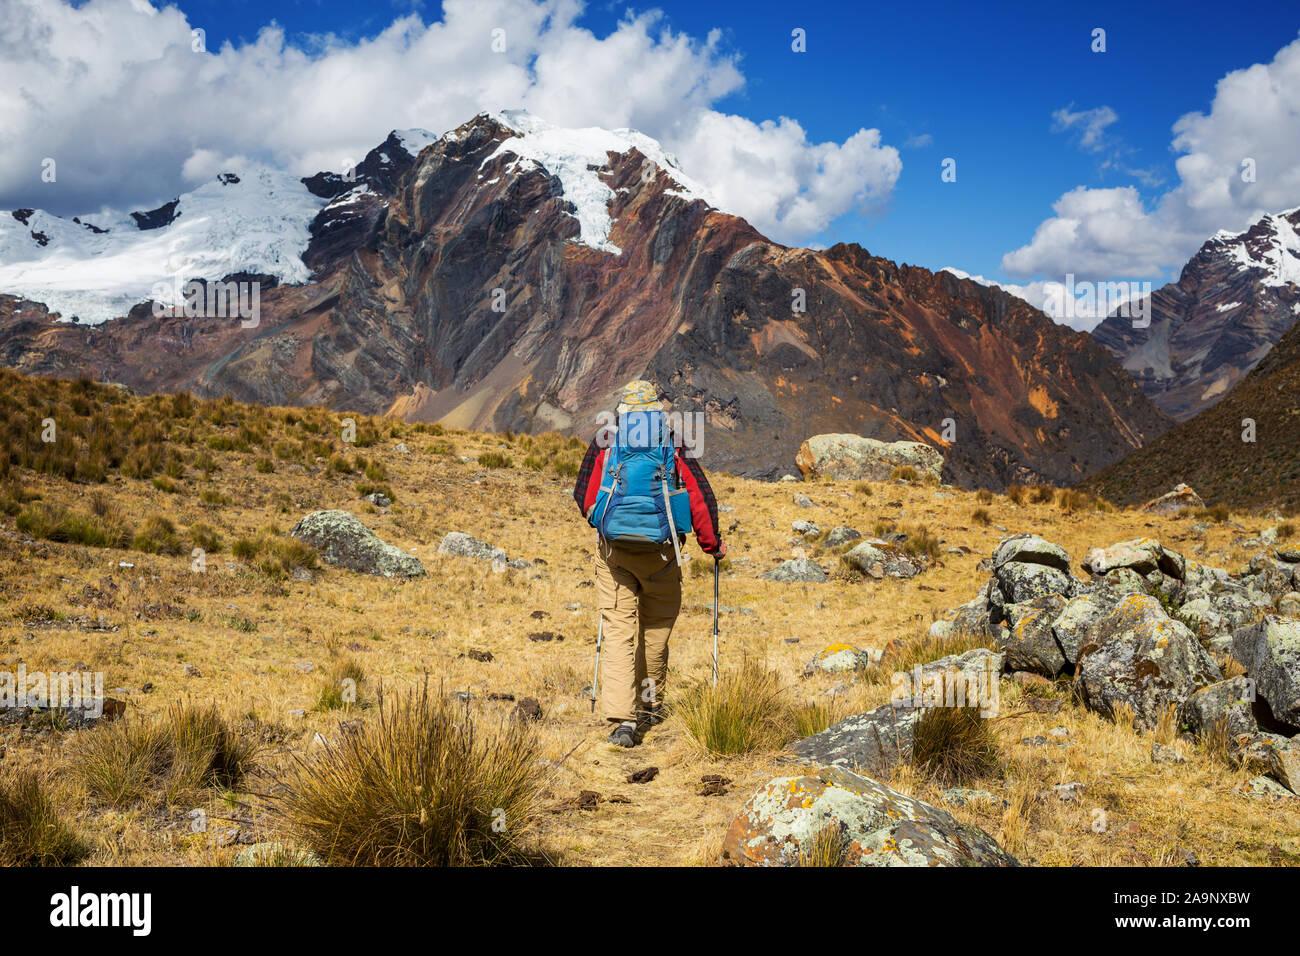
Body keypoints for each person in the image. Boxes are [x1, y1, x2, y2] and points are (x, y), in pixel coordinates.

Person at [572, 380, 726, 747]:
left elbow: (583, 493)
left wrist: (598, 520)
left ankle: (623, 723)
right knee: (655, 632)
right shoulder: (672, 442)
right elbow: (700, 497)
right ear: (656, 409)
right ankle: (650, 704)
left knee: (618, 633)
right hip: (661, 554)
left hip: (614, 555)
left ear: (623, 409)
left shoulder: (606, 440)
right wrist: (713, 546)